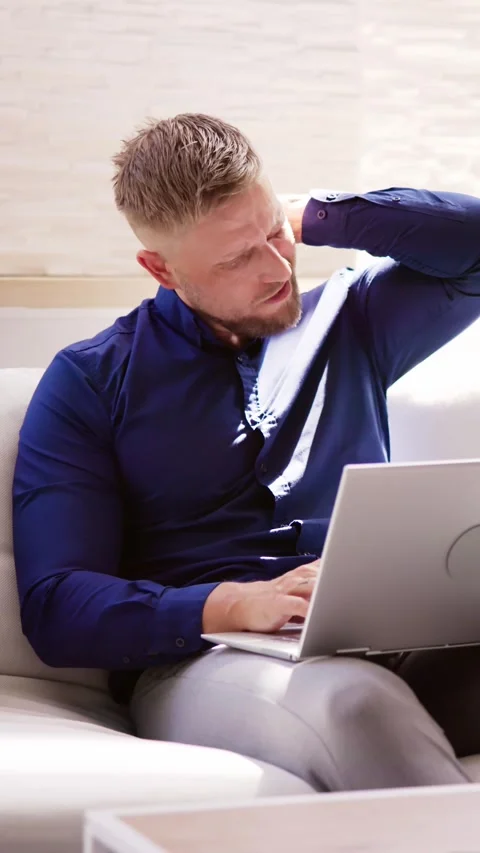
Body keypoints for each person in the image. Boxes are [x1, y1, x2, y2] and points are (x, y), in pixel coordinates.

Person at [13, 113, 480, 792]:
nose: (276, 269)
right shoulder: (90, 380)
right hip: (209, 662)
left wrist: (312, 216)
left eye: (274, 234)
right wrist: (231, 604)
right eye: (236, 259)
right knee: (356, 702)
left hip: (385, 635)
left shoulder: (350, 320)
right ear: (160, 269)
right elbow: (57, 605)